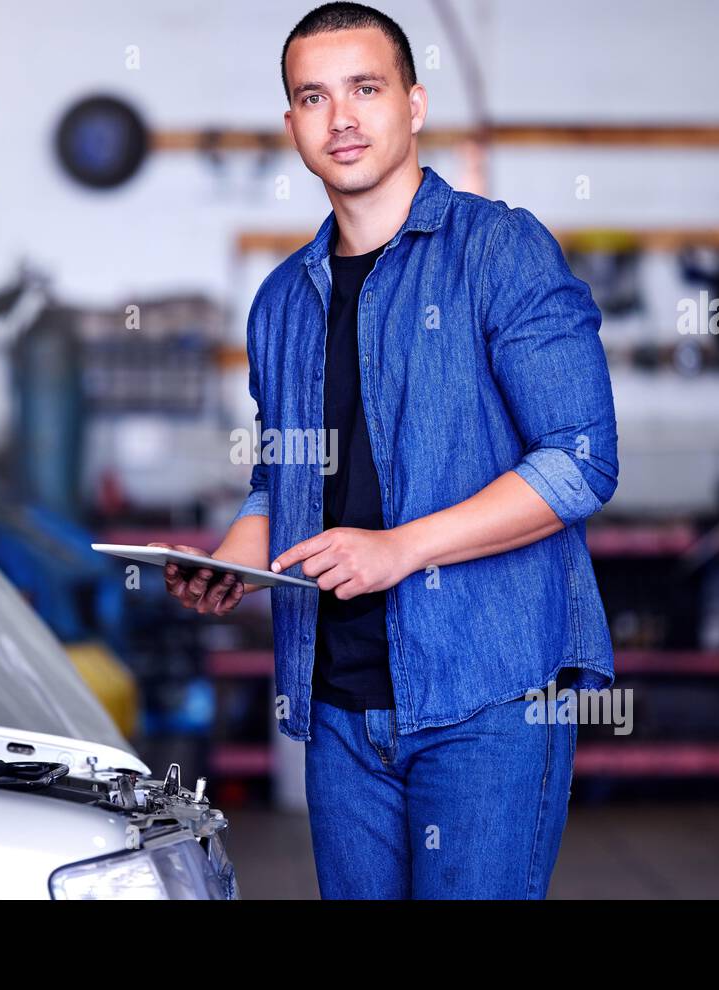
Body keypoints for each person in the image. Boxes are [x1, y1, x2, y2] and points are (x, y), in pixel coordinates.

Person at [152, 1, 618, 899]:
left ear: (414, 103)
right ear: (291, 125)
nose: (342, 118)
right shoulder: (283, 301)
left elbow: (581, 458)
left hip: (487, 698)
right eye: (313, 97)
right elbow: (277, 483)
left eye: (365, 88)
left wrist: (399, 549)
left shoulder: (501, 252)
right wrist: (234, 562)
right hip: (337, 710)